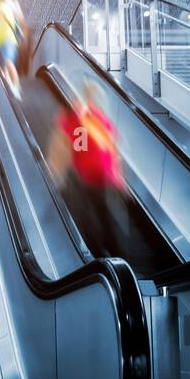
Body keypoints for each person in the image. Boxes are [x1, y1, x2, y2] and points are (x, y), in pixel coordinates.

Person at [46, 81, 128, 258]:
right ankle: (111, 249)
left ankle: (100, 250)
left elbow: (81, 147)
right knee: (100, 209)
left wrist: (68, 124)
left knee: (91, 210)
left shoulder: (83, 119)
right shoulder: (93, 118)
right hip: (99, 173)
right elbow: (109, 144)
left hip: (92, 173)